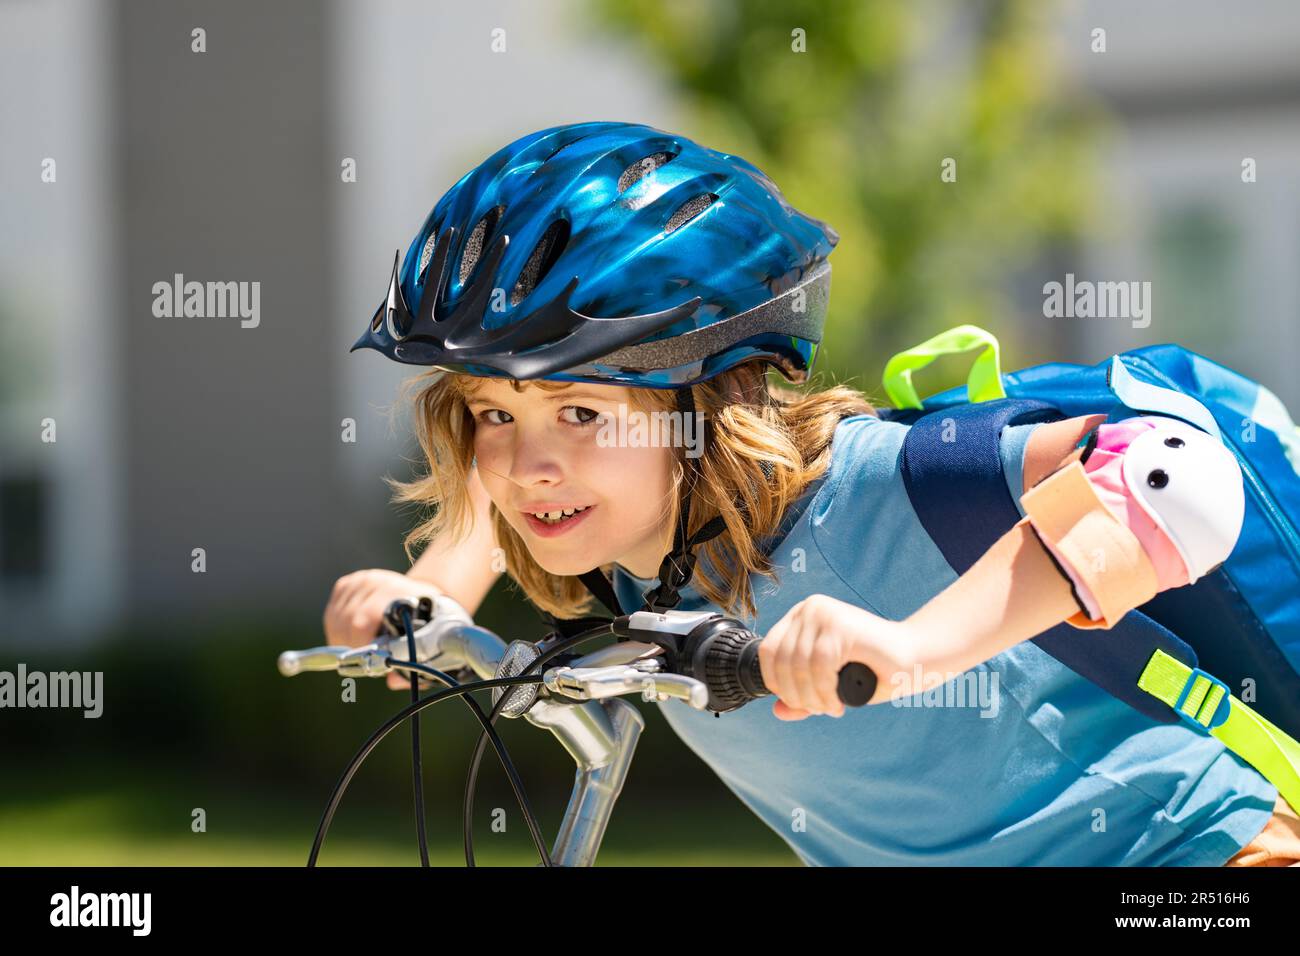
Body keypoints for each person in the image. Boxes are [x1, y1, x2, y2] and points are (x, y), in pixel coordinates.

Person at [326, 120, 1299, 866]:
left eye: (581, 412)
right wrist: (437, 589)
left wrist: (914, 646)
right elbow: (504, 502)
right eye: (493, 414)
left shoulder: (894, 485)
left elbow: (1177, 476)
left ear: (709, 400)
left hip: (1194, 854)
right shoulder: (635, 549)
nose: (529, 461)